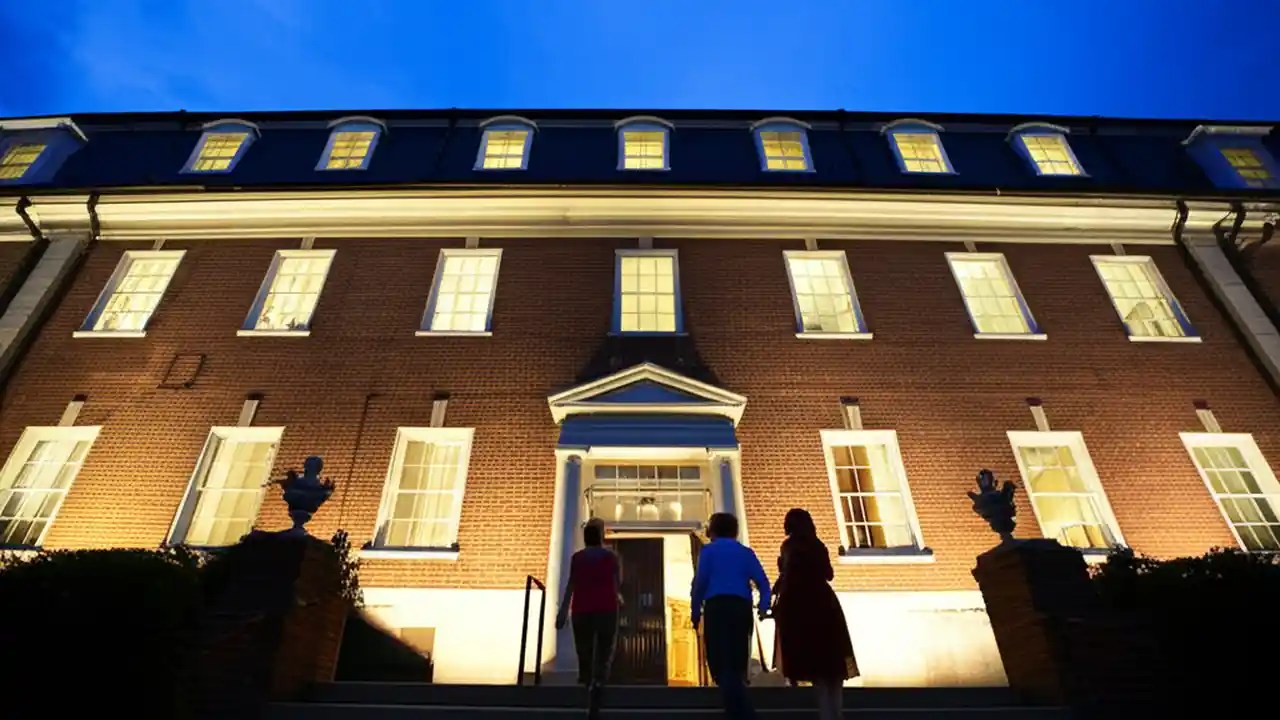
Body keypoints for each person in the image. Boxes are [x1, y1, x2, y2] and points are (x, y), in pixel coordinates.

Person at [771, 509, 858, 720]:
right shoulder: (818, 545)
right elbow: (829, 574)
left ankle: (826, 714)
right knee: (832, 666)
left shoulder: (789, 546)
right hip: (825, 605)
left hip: (800, 606)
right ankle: (836, 713)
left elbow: (787, 577)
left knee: (816, 667)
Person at [691, 512, 771, 720]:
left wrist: (695, 611)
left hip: (716, 606)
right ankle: (736, 704)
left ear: (713, 530)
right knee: (736, 658)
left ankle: (740, 710)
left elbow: (699, 584)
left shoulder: (707, 552)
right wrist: (763, 606)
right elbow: (763, 582)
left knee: (719, 659)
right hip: (740, 605)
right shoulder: (745, 552)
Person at [555, 518, 620, 719]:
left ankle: (586, 682)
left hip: (582, 609)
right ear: (600, 536)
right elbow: (617, 582)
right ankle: (598, 683)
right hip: (606, 608)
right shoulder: (611, 558)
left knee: (584, 649)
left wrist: (563, 611)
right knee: (604, 649)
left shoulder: (577, 558)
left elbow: (571, 585)